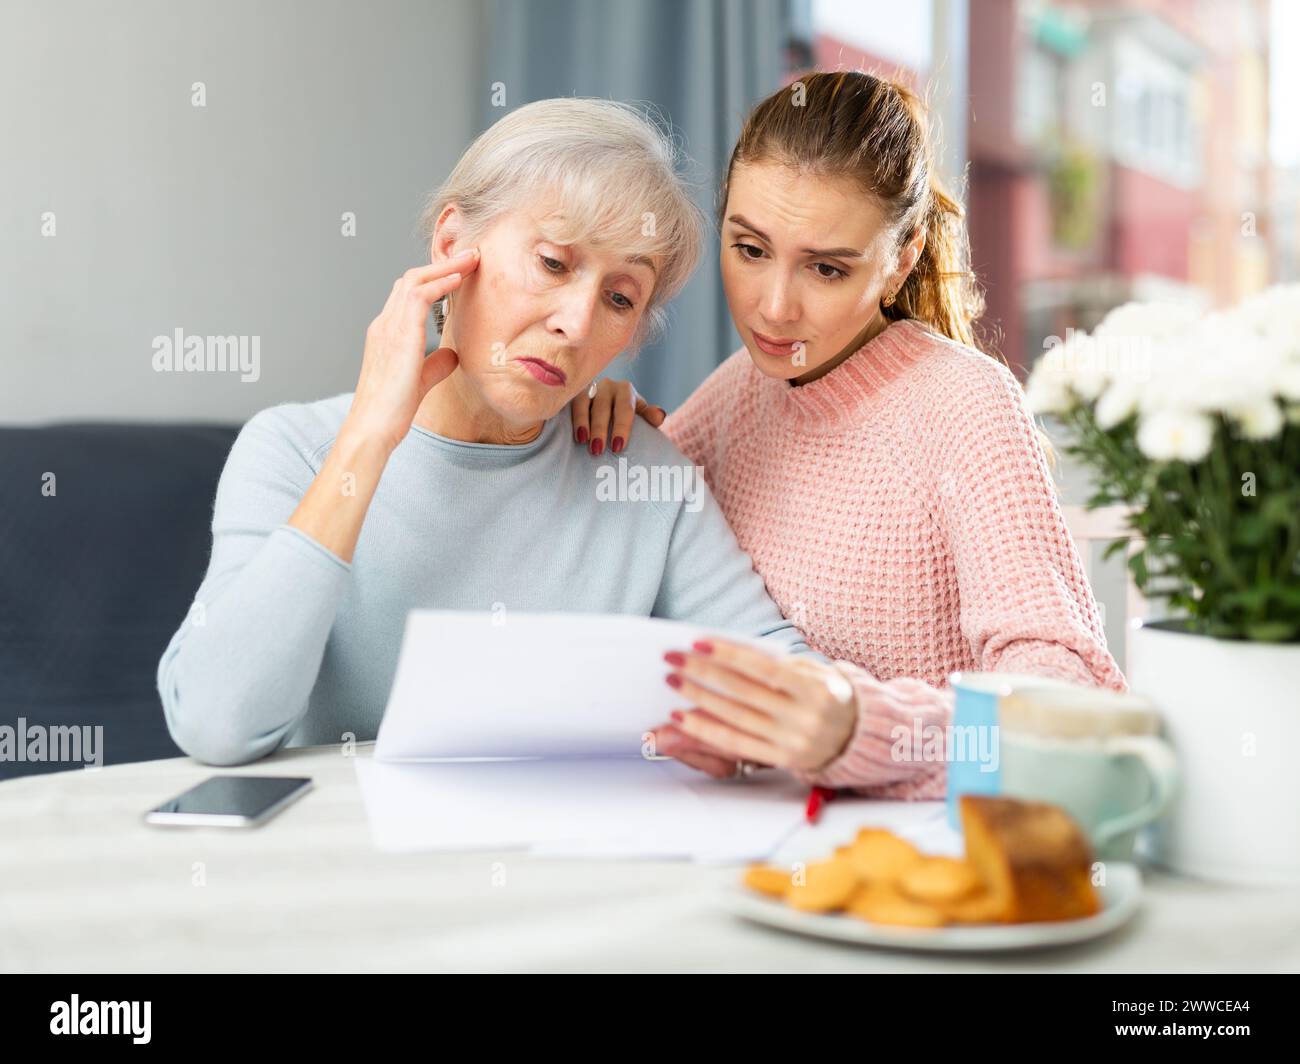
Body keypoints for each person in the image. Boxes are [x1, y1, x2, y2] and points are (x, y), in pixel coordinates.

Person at [156, 97, 860, 768]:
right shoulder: (291, 449)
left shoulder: (640, 473)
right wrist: (370, 435)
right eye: (553, 263)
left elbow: (782, 674)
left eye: (620, 298)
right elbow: (218, 724)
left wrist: (828, 717)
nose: (577, 323)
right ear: (452, 243)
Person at [571, 72, 1127, 798]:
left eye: (827, 269)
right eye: (749, 249)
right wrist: (602, 436)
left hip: (937, 853)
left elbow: (1070, 697)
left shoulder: (963, 404)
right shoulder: (735, 397)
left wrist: (860, 731)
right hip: (762, 841)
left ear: (901, 259)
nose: (772, 307)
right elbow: (623, 586)